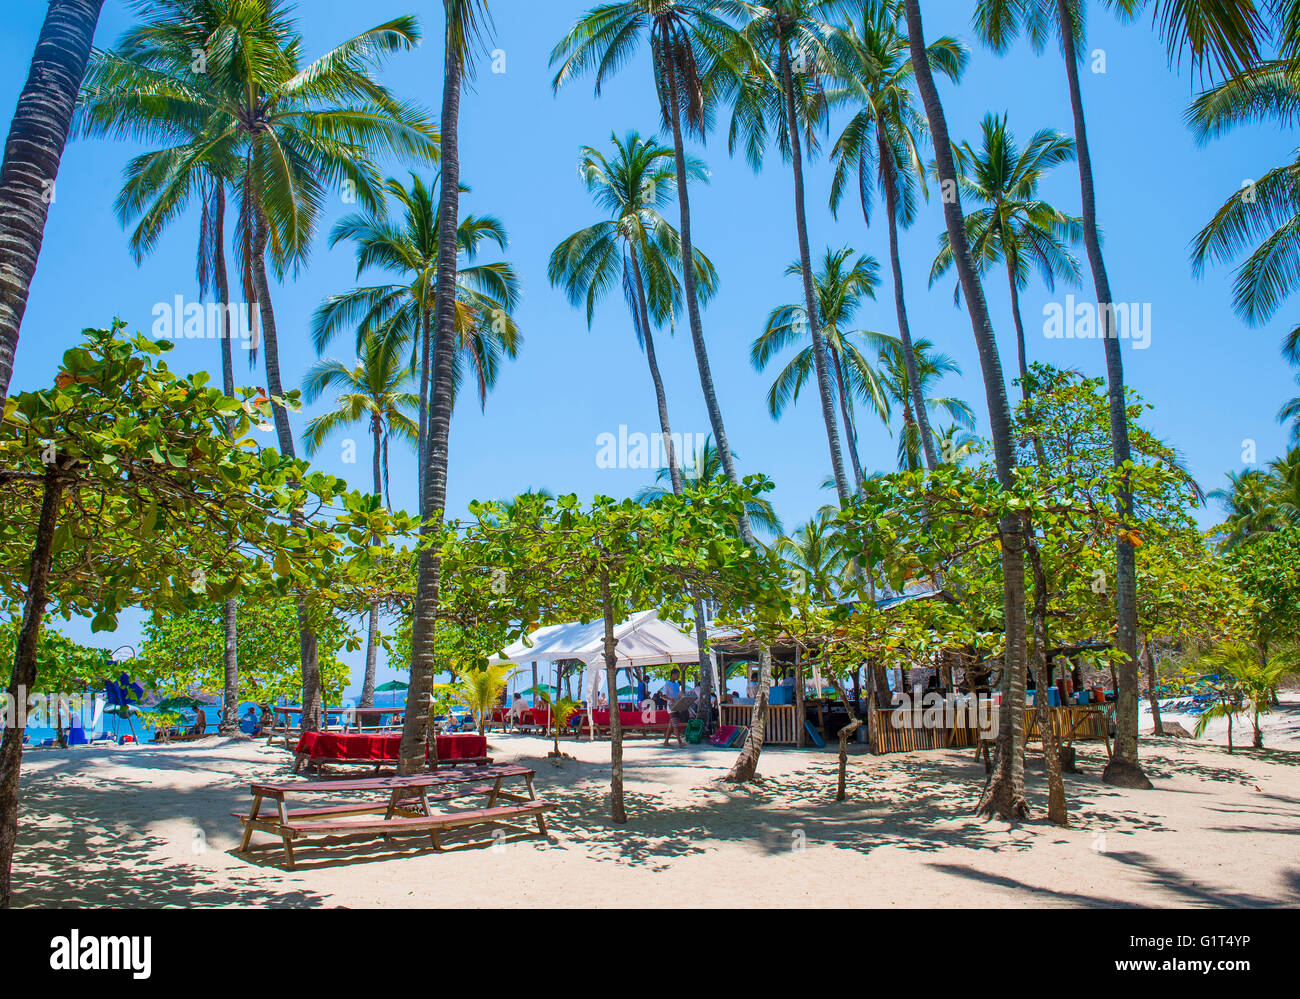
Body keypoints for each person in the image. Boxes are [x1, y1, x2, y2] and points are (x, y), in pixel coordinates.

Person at [660, 669, 690, 748]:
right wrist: (670, 699)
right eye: (677, 675)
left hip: (677, 706)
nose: (678, 677)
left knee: (671, 725)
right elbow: (663, 696)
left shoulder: (677, 684)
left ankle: (666, 741)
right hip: (671, 706)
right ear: (672, 675)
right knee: (675, 725)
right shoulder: (667, 684)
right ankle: (680, 742)